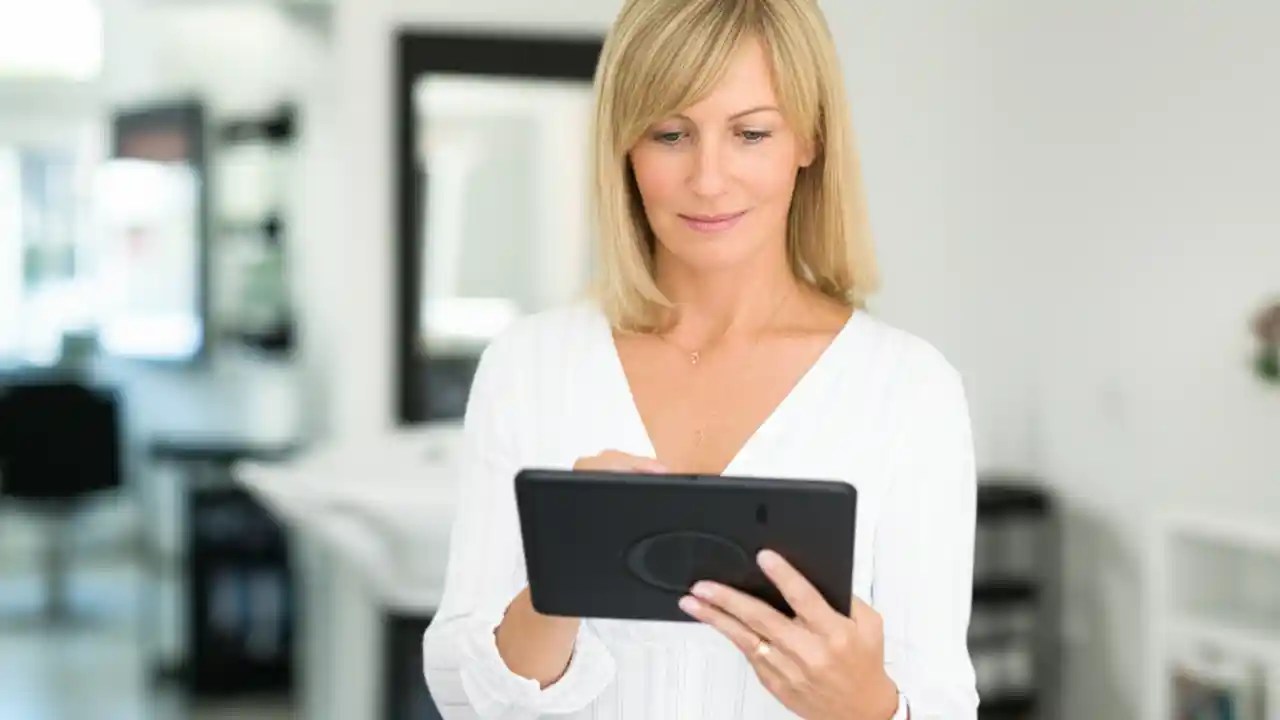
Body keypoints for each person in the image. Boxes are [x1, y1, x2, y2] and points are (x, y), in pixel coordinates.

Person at [422, 0, 979, 717]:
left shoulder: (909, 390)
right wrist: (565, 571)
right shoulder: (527, 368)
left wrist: (863, 702)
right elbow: (461, 695)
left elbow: (942, 700)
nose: (709, 179)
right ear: (625, 146)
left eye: (750, 133)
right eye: (670, 134)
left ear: (809, 138)